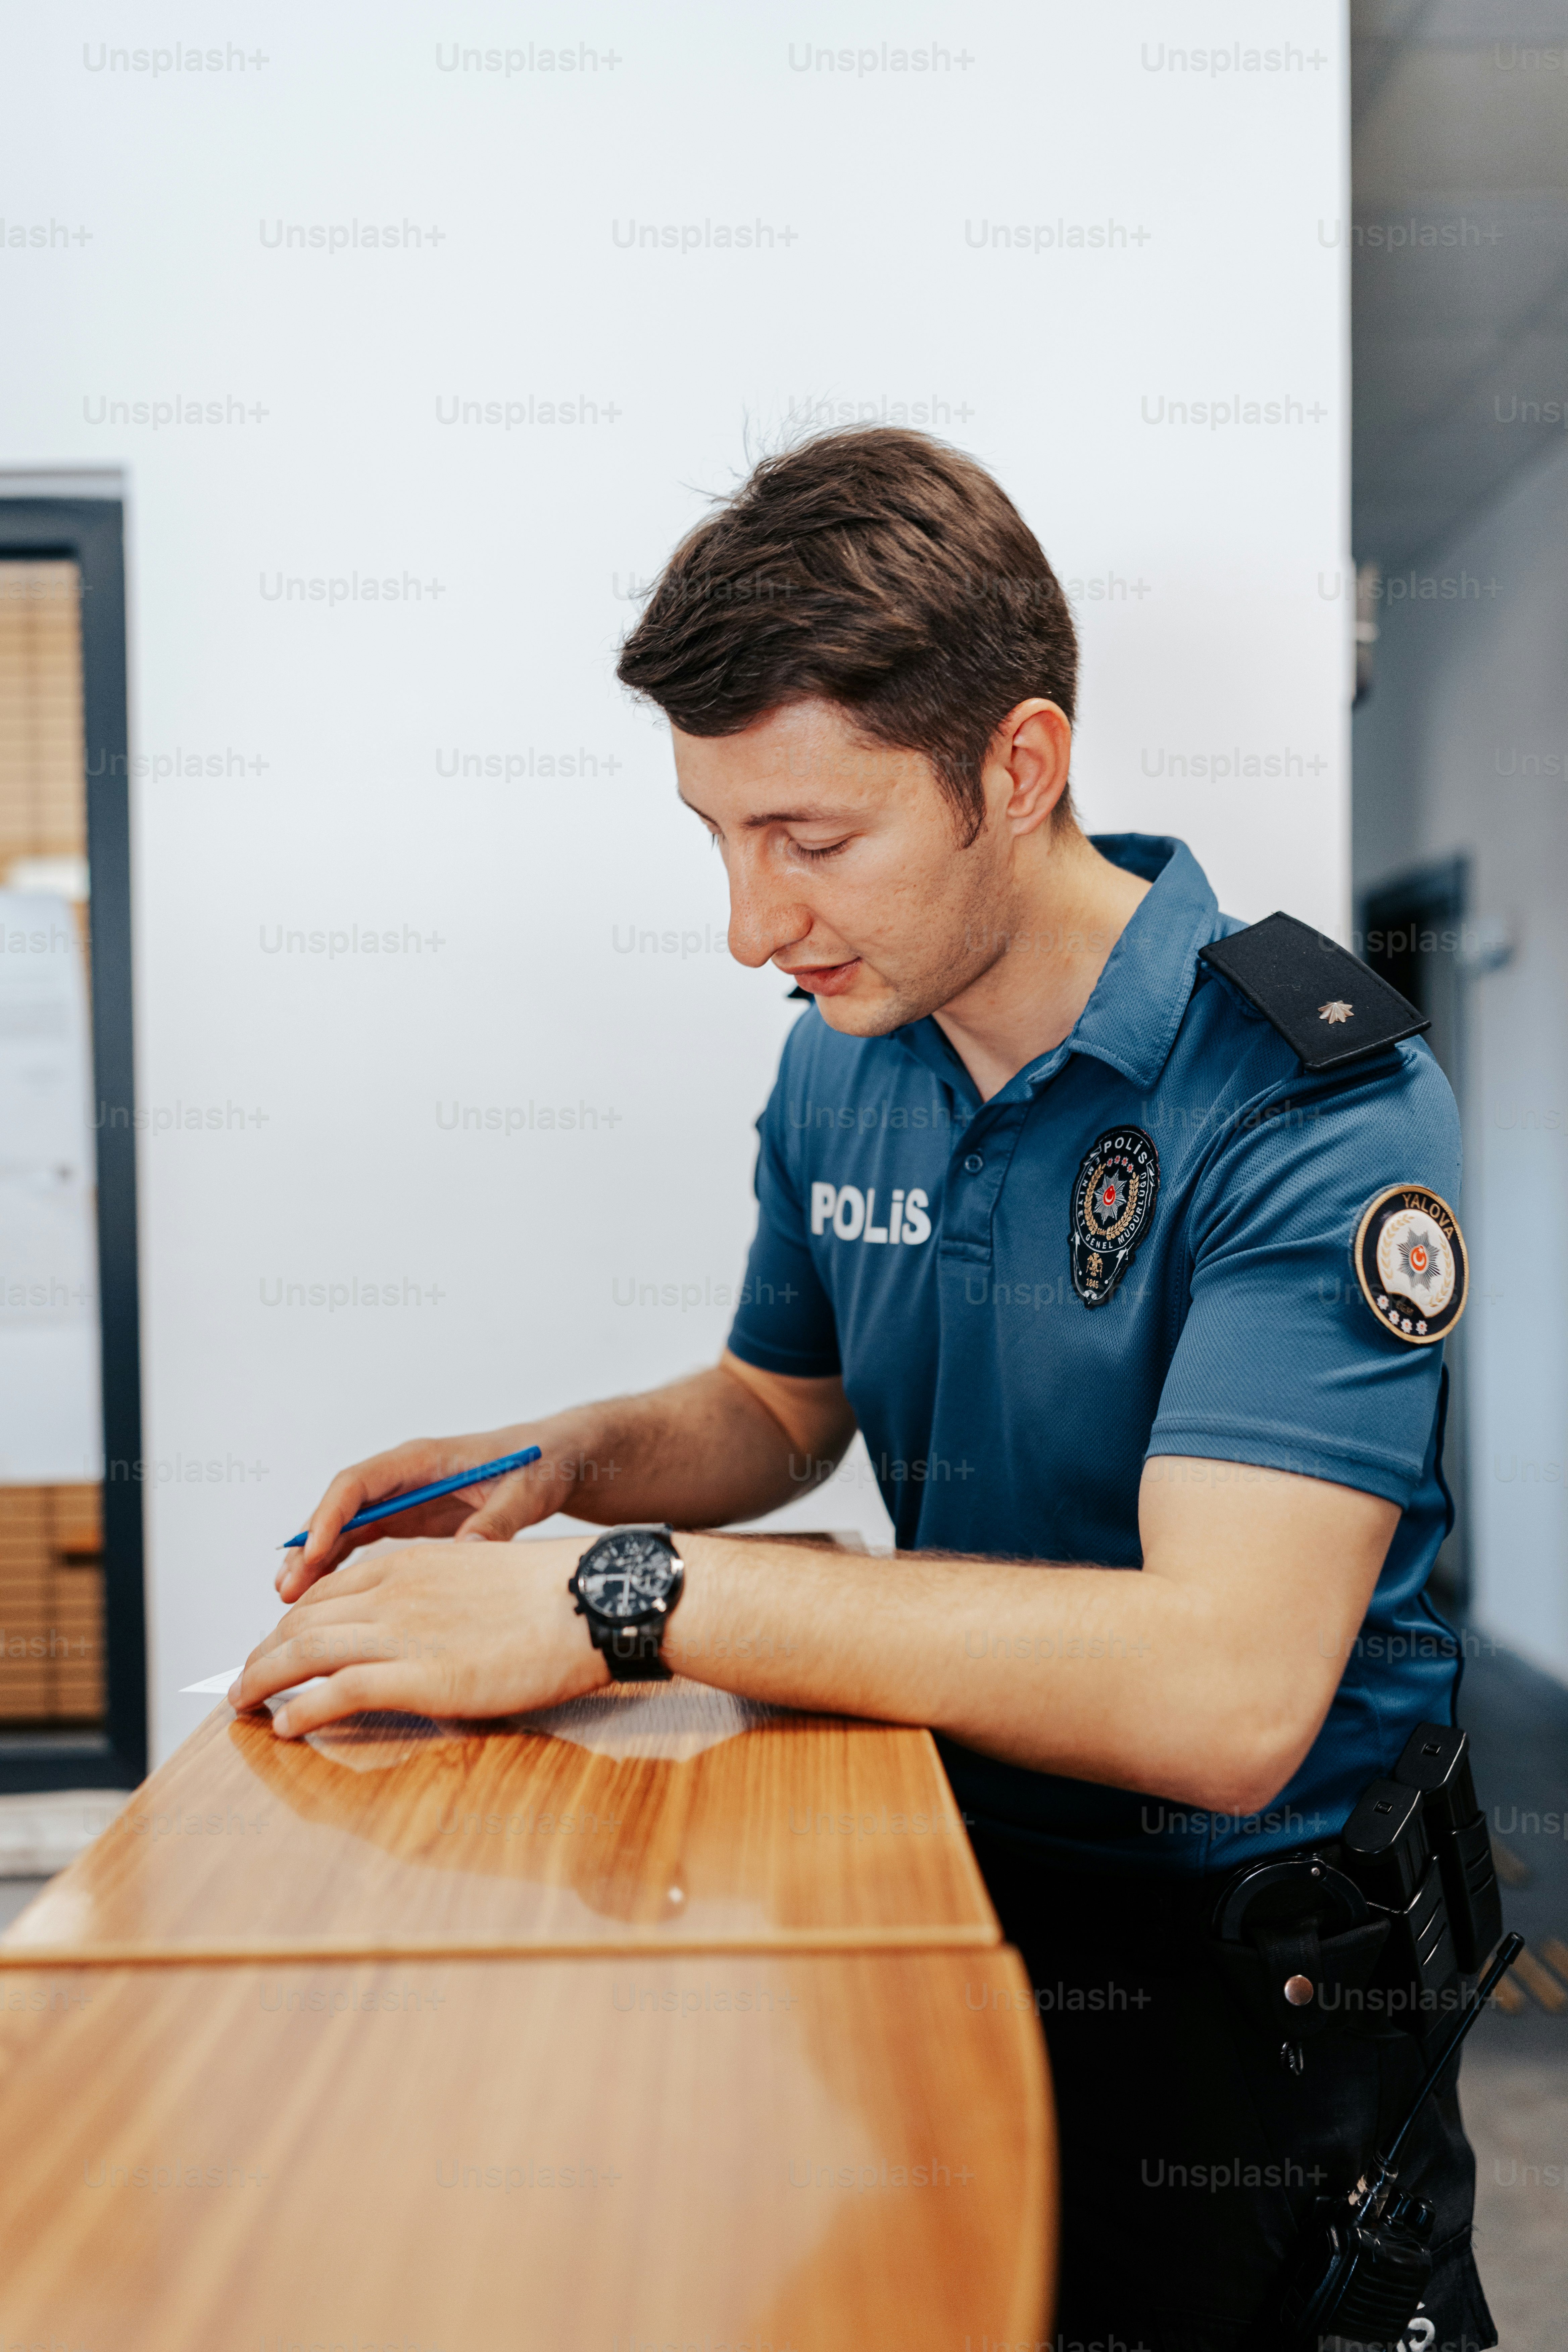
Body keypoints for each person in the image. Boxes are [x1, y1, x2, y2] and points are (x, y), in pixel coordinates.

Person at [234, 429, 1492, 2350]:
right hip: (939, 1861)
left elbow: (1227, 1694)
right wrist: (561, 1464)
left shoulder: (1309, 1094)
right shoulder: (849, 1041)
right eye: (721, 842)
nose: (754, 925)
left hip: (1253, 1957)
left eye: (810, 843)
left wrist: (617, 1605)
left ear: (1020, 767)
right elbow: (775, 1402)